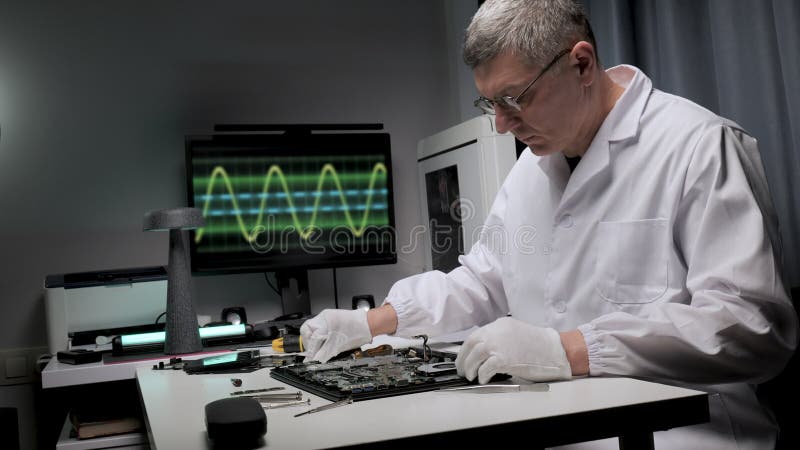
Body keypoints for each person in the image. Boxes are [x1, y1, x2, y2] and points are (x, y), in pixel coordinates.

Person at [301, 0, 798, 448]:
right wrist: (369, 323)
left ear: (581, 64)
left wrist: (570, 349)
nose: (501, 124)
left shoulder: (698, 146)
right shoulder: (532, 166)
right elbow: (484, 281)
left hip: (688, 434)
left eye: (514, 98)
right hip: (563, 426)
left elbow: (751, 327)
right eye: (490, 103)